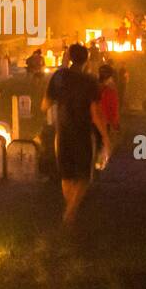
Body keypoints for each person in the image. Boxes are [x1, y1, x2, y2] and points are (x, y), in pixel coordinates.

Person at [43, 43, 109, 226]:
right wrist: (105, 136)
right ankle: (70, 212)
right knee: (83, 176)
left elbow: (44, 105)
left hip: (62, 131)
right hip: (82, 133)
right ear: (86, 59)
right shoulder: (90, 81)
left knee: (67, 174)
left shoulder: (59, 77)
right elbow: (95, 112)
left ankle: (70, 210)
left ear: (69, 57)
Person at [96, 63, 121, 166]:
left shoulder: (94, 88)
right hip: (105, 124)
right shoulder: (110, 91)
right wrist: (115, 124)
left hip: (92, 123)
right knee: (105, 148)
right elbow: (113, 110)